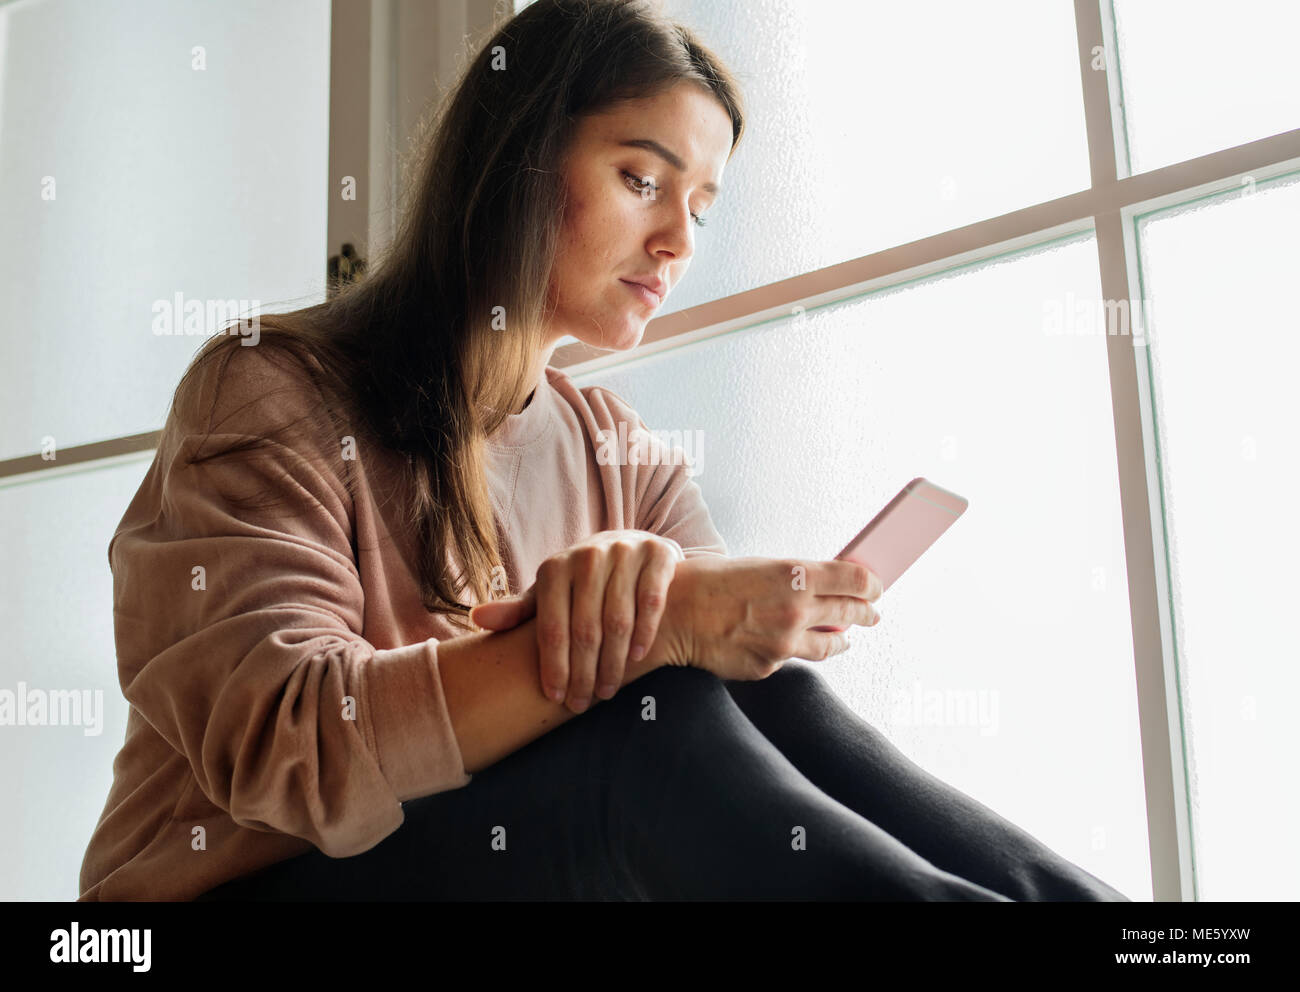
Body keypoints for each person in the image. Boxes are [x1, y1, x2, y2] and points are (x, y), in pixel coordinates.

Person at [79, 0, 1130, 902]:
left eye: (701, 211)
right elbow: (293, 745)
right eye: (641, 178)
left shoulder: (622, 453)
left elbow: (733, 722)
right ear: (520, 157)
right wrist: (628, 633)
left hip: (481, 862)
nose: (678, 240)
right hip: (233, 895)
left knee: (754, 686)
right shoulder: (269, 388)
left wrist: (703, 619)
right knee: (653, 712)